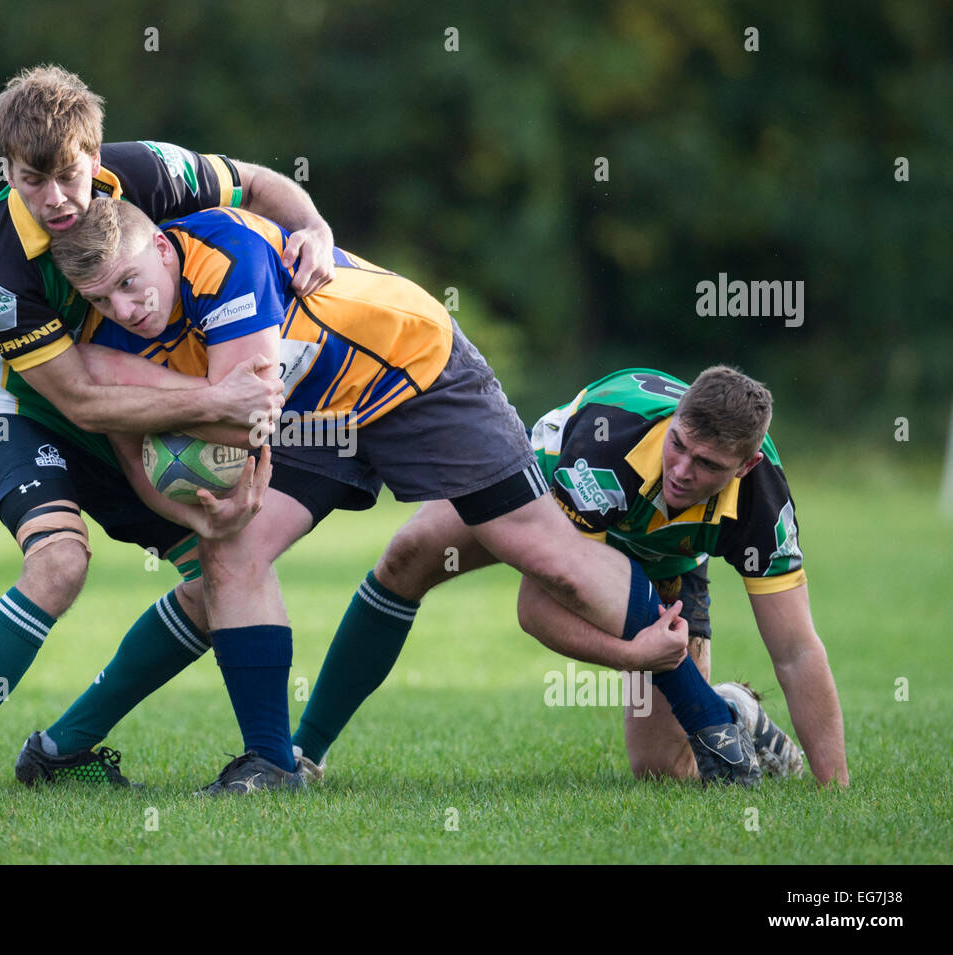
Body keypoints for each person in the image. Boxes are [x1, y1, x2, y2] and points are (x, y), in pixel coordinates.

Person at [49, 200, 734, 793]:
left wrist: (121, 386)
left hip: (415, 368)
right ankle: (271, 762)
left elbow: (243, 410)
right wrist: (181, 501)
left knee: (547, 555)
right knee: (230, 556)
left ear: (163, 249)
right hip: (316, 413)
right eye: (103, 300)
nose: (124, 309)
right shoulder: (112, 314)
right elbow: (126, 426)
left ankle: (717, 733)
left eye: (131, 284)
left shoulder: (225, 255)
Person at [0, 63, 339, 797]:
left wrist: (314, 228)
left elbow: (257, 184)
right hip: (10, 406)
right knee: (60, 561)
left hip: (115, 394)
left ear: (95, 156)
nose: (57, 199)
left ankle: (88, 752)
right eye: (32, 181)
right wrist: (217, 398)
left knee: (226, 564)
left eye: (69, 175)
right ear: (6, 171)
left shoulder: (147, 172)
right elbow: (82, 402)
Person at [292, 367, 849, 787]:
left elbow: (796, 652)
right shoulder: (610, 444)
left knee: (660, 769)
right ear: (674, 419)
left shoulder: (763, 503)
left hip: (671, 563)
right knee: (408, 553)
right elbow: (536, 608)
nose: (682, 470)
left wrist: (836, 797)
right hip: (538, 495)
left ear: (745, 467)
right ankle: (304, 754)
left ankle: (734, 711)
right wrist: (634, 657)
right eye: (678, 444)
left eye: (707, 465)